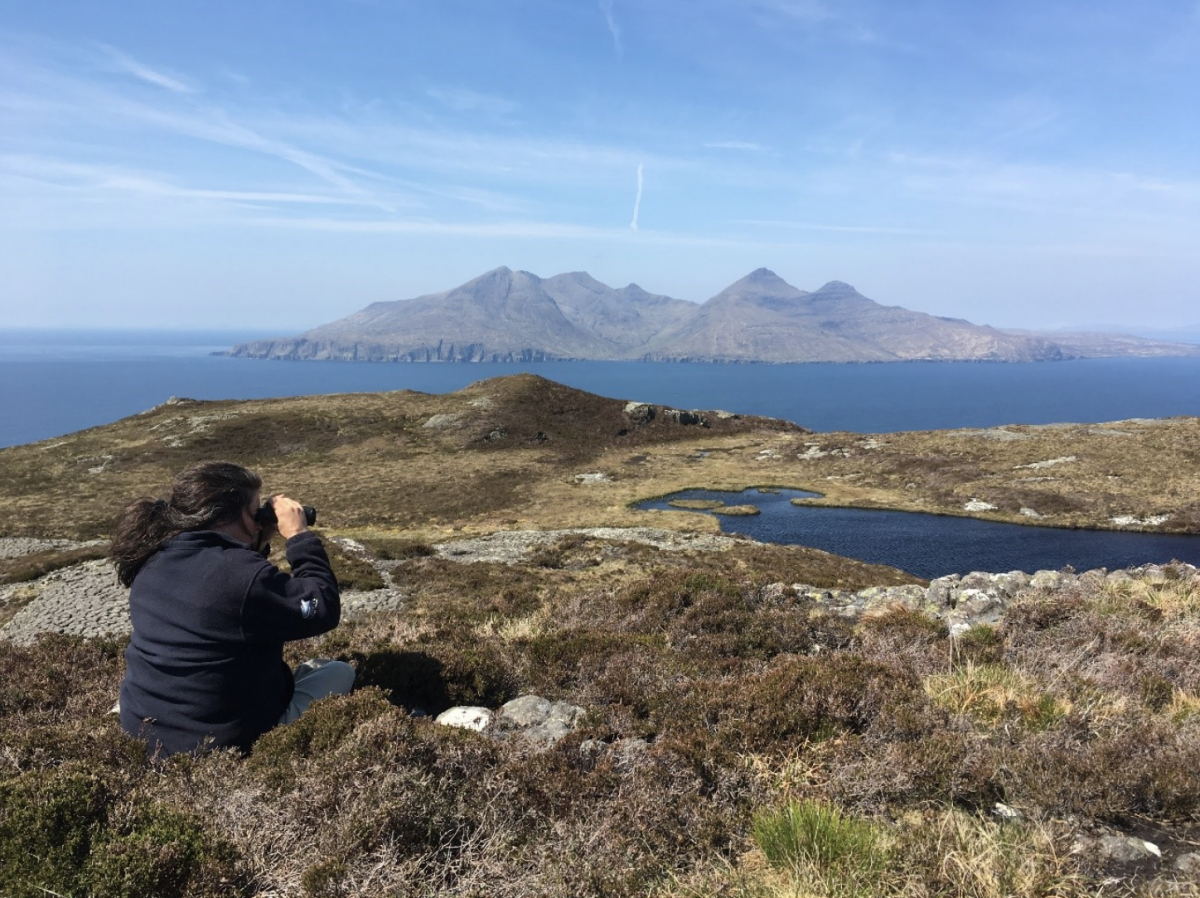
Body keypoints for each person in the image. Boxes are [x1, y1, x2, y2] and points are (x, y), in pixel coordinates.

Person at [111, 461, 355, 756]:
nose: (259, 522)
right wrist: (299, 537)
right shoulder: (241, 575)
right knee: (337, 671)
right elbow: (321, 607)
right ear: (229, 515)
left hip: (145, 731)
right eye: (255, 514)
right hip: (217, 747)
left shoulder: (151, 561)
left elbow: (227, 589)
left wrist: (255, 543)